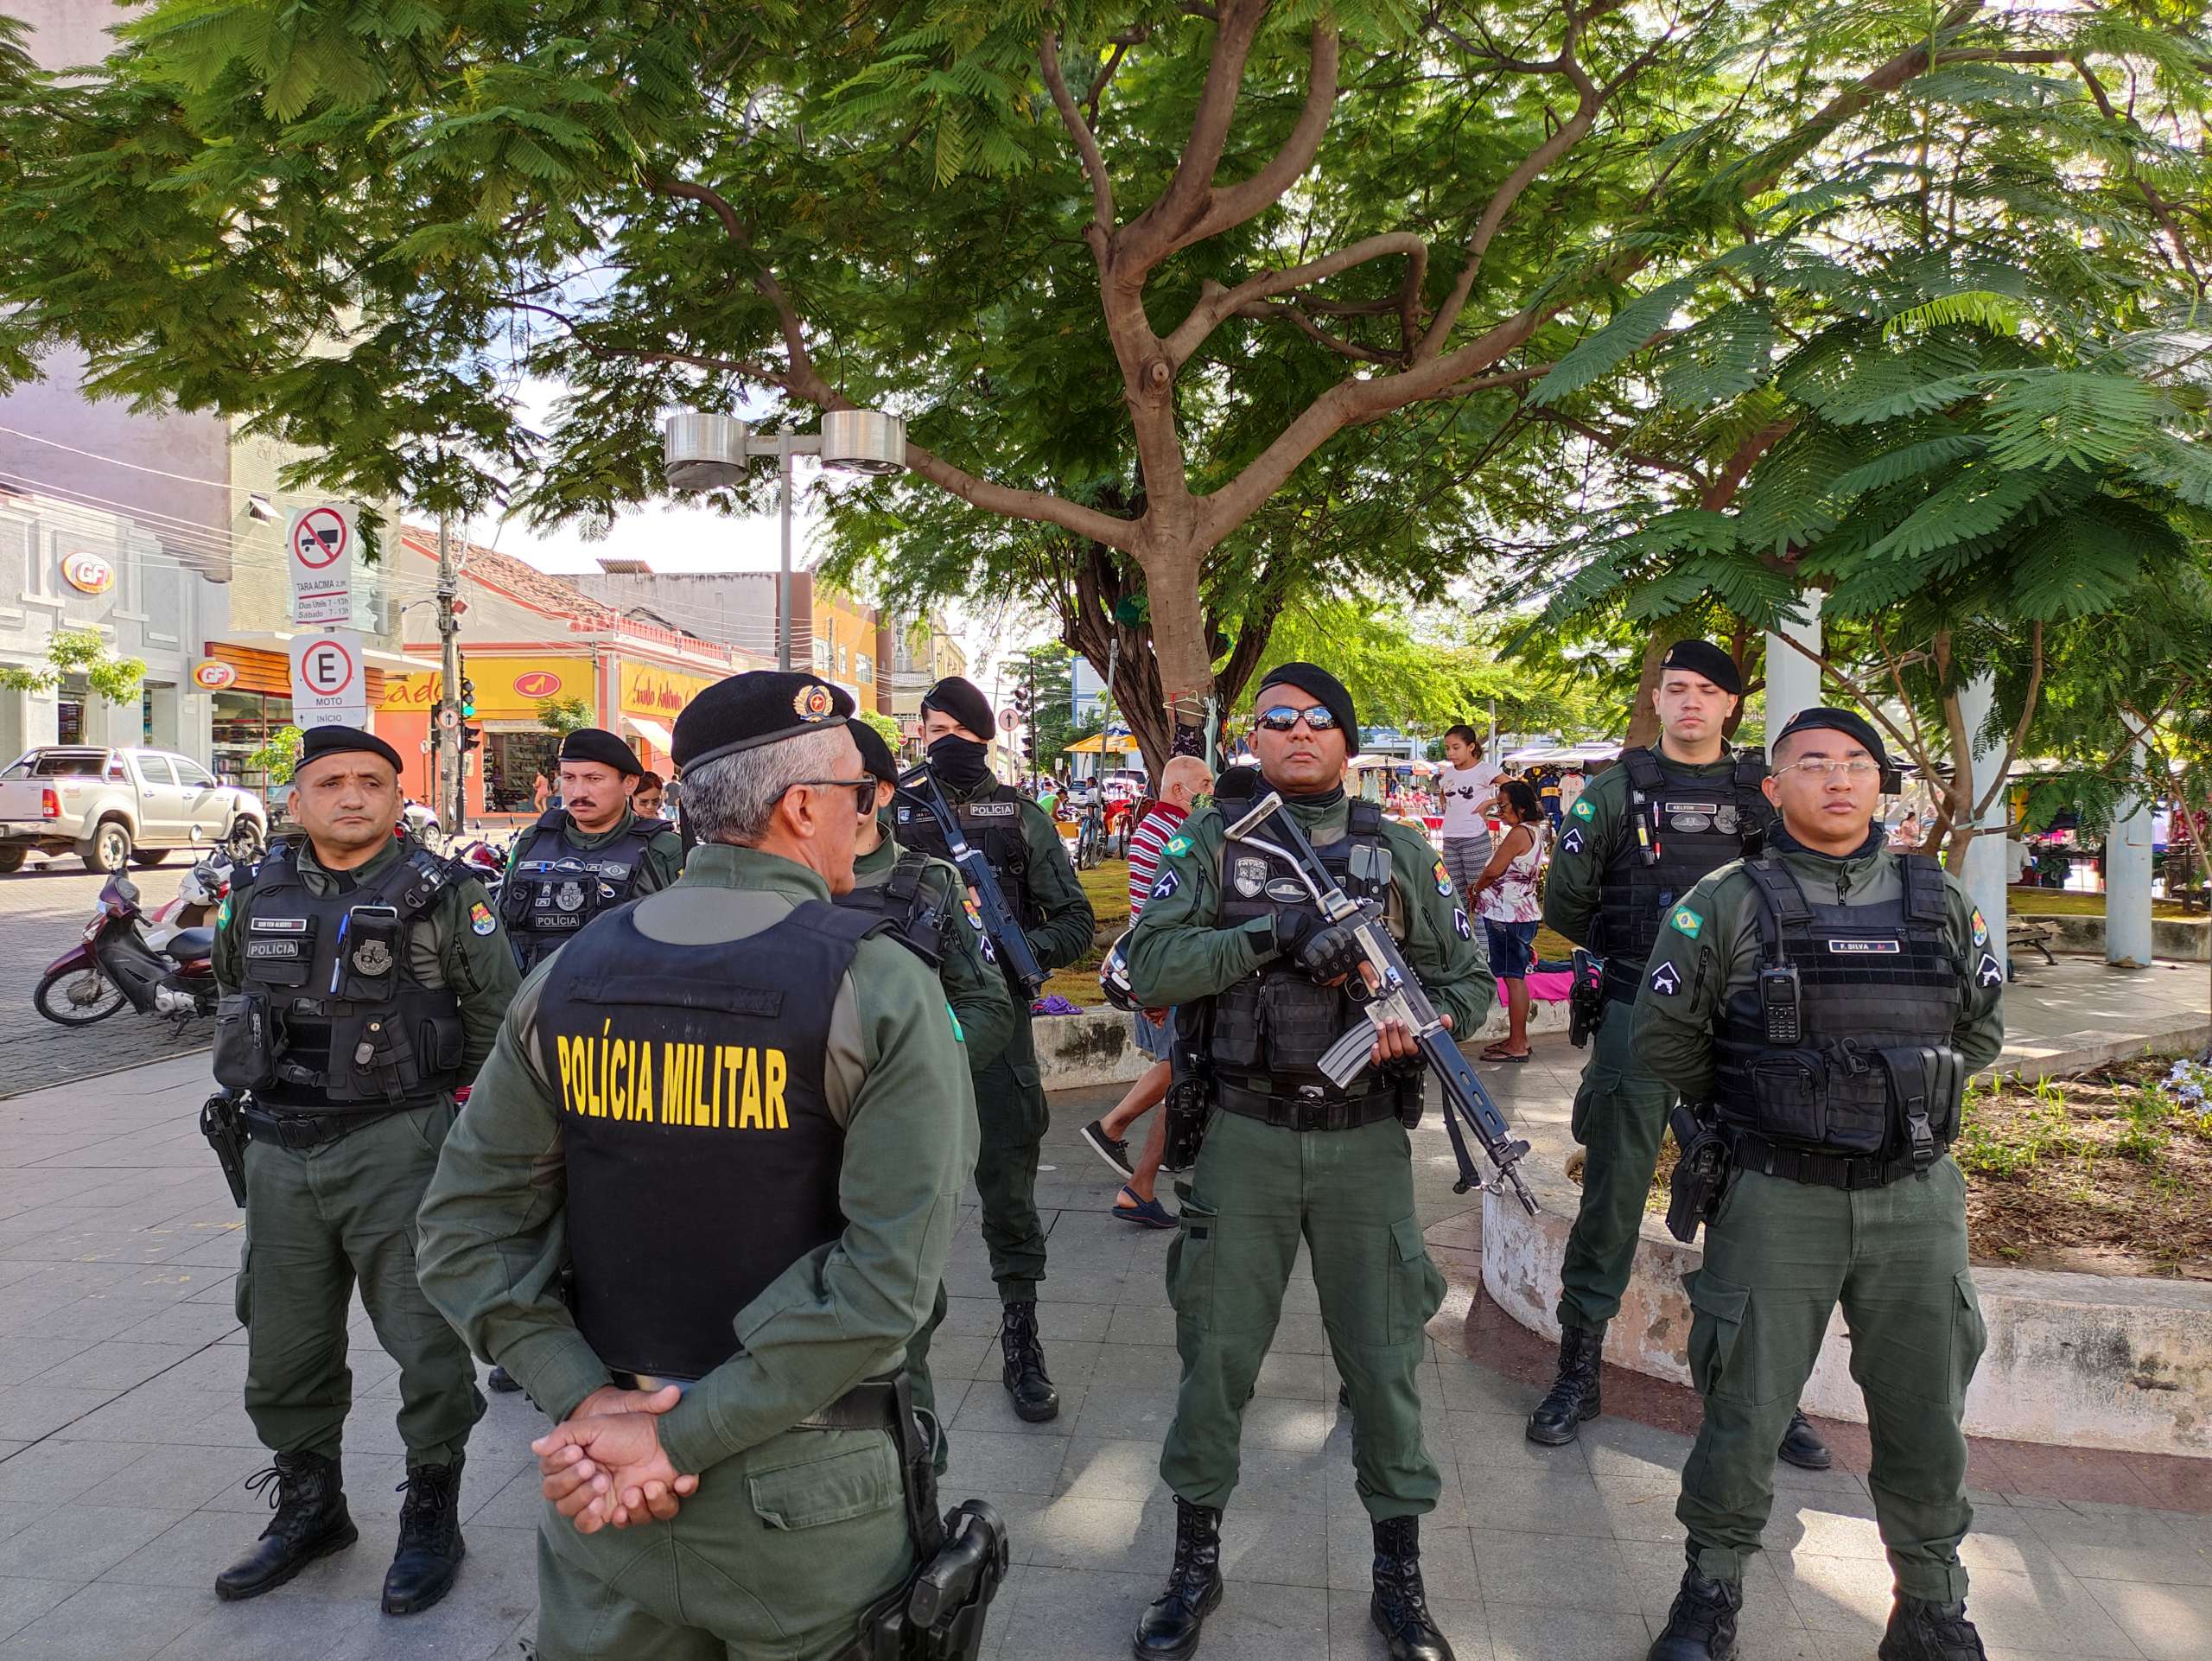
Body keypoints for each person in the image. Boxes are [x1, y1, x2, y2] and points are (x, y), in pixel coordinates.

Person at [416, 671, 978, 1661]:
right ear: (804, 805)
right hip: (806, 1494)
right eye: (861, 796)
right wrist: (668, 1438)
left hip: (602, 1487)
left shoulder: (570, 974)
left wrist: (593, 1406)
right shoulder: (879, 983)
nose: (867, 817)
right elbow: (887, 1282)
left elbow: (462, 1232)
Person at [1123, 663, 1491, 1661]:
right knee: (1216, 1359)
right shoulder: (1212, 843)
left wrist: (1422, 1022)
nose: (1294, 733)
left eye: (1316, 719)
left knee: (1383, 1364)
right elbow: (1143, 966)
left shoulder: (1400, 851)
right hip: (1243, 1135)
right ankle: (1192, 1563)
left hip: (1365, 1141)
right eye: (1274, 719)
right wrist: (1271, 931)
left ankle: (1399, 1579)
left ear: (1346, 739)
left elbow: (1471, 980)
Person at [1634, 707, 2006, 1661]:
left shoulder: (1939, 897)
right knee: (1745, 1404)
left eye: (1856, 763)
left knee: (1926, 1407)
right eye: (1813, 764)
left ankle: (1929, 1601)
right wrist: (1775, 1101)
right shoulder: (1722, 900)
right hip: (1777, 1192)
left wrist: (1883, 1102)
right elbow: (1666, 1041)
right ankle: (1710, 1587)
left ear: (1878, 781)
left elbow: (1978, 1030)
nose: (1837, 779)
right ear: (1773, 786)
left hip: (1914, 1198)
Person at [208, 724, 519, 1614]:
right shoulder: (249, 890)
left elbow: (502, 1025)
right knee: (283, 1343)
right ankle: (312, 1505)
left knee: (425, 1339)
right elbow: (236, 992)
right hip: (275, 1146)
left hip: (401, 1143)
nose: (353, 796)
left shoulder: (449, 895)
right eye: (332, 782)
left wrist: (477, 1152)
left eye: (372, 781)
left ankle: (431, 1508)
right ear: (295, 799)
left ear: (396, 795)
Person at [1532, 640, 1832, 1470]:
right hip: (1637, 1008)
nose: (1691, 702)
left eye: (1707, 690)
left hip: (1741, 1027)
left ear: (1732, 705)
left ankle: (1768, 1399)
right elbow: (1569, 900)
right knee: (1612, 1199)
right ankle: (1577, 1371)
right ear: (1657, 701)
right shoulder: (1610, 793)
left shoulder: (1767, 797)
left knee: (1759, 1209)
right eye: (1676, 690)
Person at [893, 676, 1096, 1422]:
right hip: (901, 1025)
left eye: (951, 727)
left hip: (997, 1034)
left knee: (1008, 1192)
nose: (938, 739)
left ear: (981, 733)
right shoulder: (891, 808)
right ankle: (891, 1355)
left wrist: (1010, 959)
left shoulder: (1022, 816)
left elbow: (1073, 921)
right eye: (929, 727)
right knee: (893, 1193)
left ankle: (1022, 1337)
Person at [841, 717, 1016, 1468]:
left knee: (901, 1319)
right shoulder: (766, 884)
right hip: (785, 1140)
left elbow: (987, 1007)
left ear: (877, 795)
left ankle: (913, 1464)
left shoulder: (931, 882)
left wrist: (914, 1076)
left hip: (891, 1140)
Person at [1078, 754, 1215, 1228]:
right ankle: (1116, 1130)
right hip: (1165, 967)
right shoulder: (1171, 835)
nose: (1210, 792)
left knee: (1179, 1065)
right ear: (1181, 791)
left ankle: (1138, 1163)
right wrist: (1155, 986)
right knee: (1179, 1065)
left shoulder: (1162, 829)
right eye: (1204, 784)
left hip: (1161, 967)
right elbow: (1156, 916)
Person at [499, 728, 684, 974]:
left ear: (629, 783)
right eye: (569, 778)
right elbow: (498, 933)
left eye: (594, 779)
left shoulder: (663, 850)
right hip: (533, 1003)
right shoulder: (531, 841)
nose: (578, 793)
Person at [1468, 778, 1547, 1064]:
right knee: (1515, 977)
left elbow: (1493, 870)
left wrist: (1475, 890)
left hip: (1508, 915)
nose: (1499, 811)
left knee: (1514, 979)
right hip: (1519, 913)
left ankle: (1517, 1043)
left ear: (1521, 808)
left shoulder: (1518, 834)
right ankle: (1518, 1039)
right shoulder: (1534, 832)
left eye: (1503, 806)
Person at [1437, 724, 1501, 901]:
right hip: (1449, 837)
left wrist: (1490, 802)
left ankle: (1483, 929)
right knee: (1456, 896)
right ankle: (1461, 929)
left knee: (1480, 894)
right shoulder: (1449, 771)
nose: (1450, 753)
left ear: (1471, 747)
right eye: (1448, 748)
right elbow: (1444, 791)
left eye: (1456, 748)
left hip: (1474, 837)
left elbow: (1517, 788)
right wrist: (1443, 800)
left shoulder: (1485, 770)